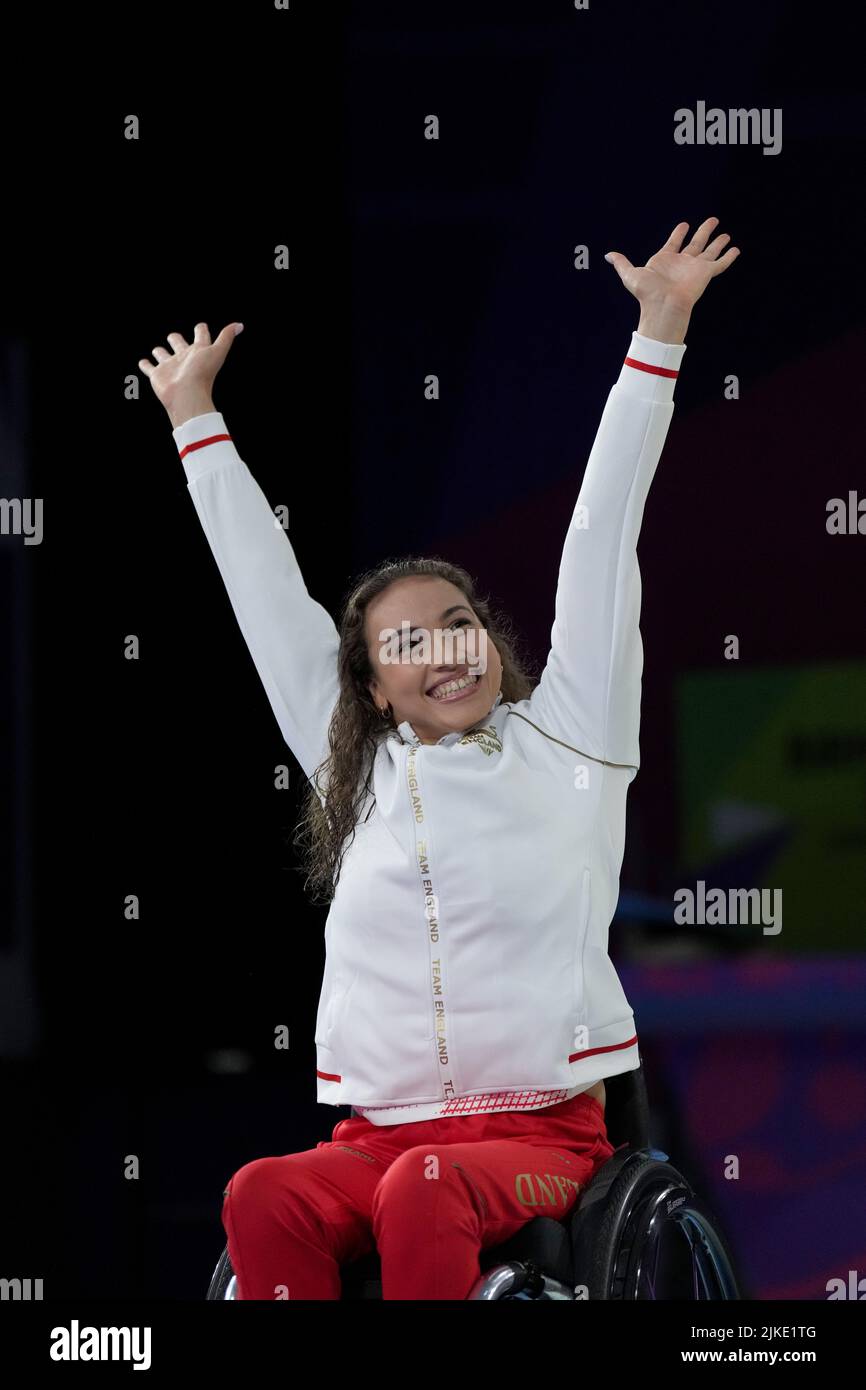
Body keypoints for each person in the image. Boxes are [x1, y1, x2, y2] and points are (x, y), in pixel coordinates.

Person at [138, 217, 739, 1300]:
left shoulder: (569, 734)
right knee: (258, 1194)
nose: (443, 649)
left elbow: (602, 535)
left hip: (545, 1137)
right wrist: (194, 418)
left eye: (455, 622)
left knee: (425, 1186)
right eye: (405, 642)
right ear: (368, 686)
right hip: (374, 1136)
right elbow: (263, 594)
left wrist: (657, 335)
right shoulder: (351, 771)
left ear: (488, 635)